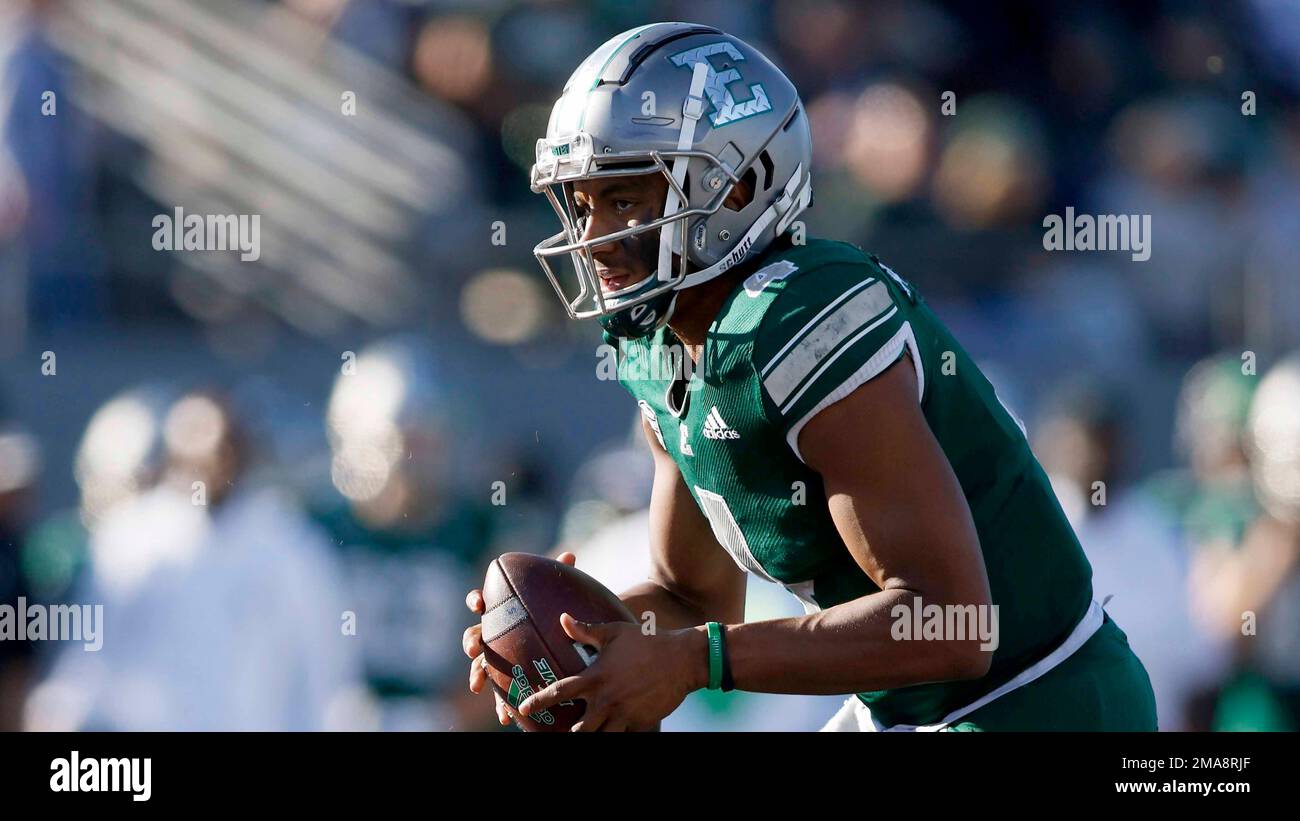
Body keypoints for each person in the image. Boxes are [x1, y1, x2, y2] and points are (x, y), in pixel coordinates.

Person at [462, 22, 1155, 731]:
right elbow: (693, 598)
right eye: (582, 202)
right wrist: (569, 640)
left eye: (625, 199)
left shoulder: (801, 318)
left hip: (1038, 700)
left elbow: (950, 623)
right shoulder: (661, 344)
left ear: (737, 187)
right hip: (912, 711)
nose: (593, 235)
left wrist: (690, 662)